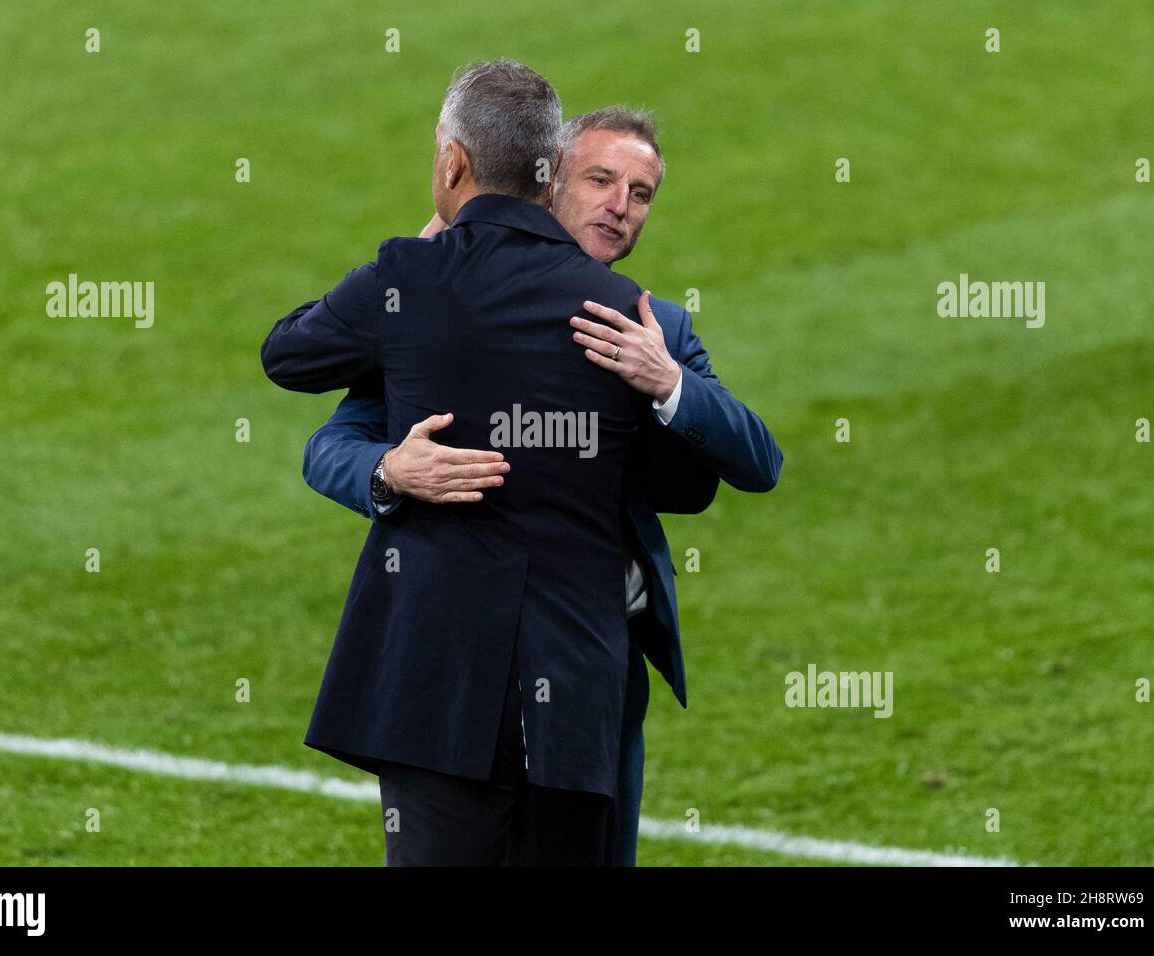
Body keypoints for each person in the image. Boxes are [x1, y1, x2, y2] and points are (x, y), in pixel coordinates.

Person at [298, 106, 784, 865]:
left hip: (592, 665)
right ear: (545, 182)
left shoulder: (657, 329)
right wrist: (388, 469)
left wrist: (668, 384)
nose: (620, 205)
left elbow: (759, 461)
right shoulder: (438, 304)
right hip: (451, 663)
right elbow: (333, 443)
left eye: (642, 192)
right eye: (600, 179)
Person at [262, 60, 660, 864]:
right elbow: (685, 482)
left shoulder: (408, 285)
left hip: (435, 694)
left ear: (452, 162)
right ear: (550, 176)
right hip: (574, 700)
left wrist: (414, 250)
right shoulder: (625, 314)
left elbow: (289, 353)